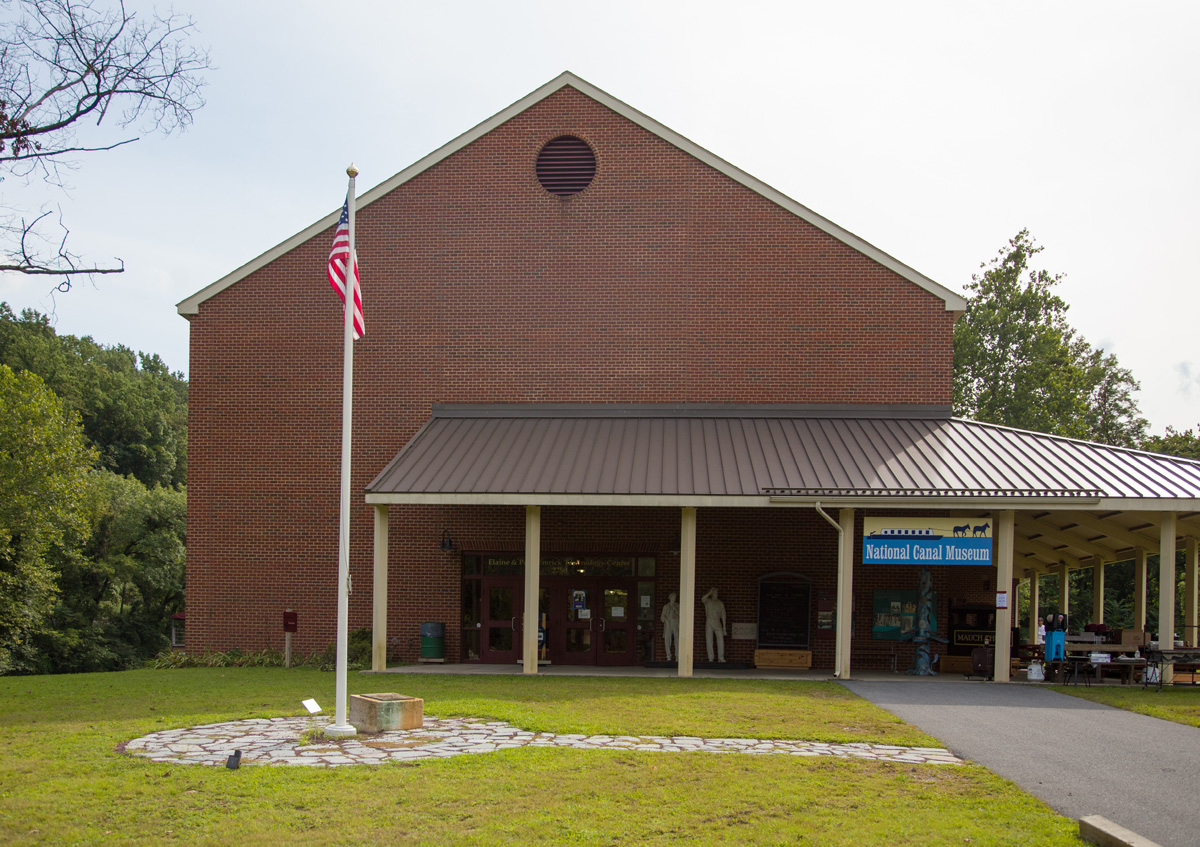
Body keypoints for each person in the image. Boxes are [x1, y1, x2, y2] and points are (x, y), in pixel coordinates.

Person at [702, 587, 726, 663]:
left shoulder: (720, 603)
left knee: (720, 640)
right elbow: (703, 598)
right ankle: (710, 658)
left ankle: (721, 657)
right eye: (714, 593)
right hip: (709, 621)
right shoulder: (708, 601)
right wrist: (709, 592)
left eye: (716, 593)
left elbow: (723, 615)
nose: (716, 594)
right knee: (709, 640)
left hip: (717, 622)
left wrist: (724, 627)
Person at [660, 593, 680, 661]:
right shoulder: (666, 606)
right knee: (668, 639)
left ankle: (677, 655)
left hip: (675, 623)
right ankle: (668, 656)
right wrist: (666, 619)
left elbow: (681, 614)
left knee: (677, 639)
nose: (674, 598)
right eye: (673, 597)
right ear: (670, 597)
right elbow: (662, 617)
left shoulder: (677, 605)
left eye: (675, 597)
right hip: (668, 623)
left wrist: (676, 610)